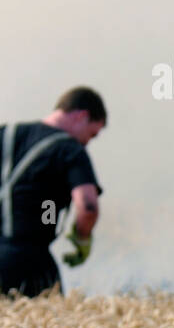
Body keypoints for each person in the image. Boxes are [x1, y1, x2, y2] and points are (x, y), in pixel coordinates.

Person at [0, 87, 105, 298]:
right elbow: (88, 206)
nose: (87, 142)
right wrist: (82, 238)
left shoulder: (5, 133)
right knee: (48, 326)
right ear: (81, 116)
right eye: (92, 134)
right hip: (28, 261)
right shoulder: (70, 150)